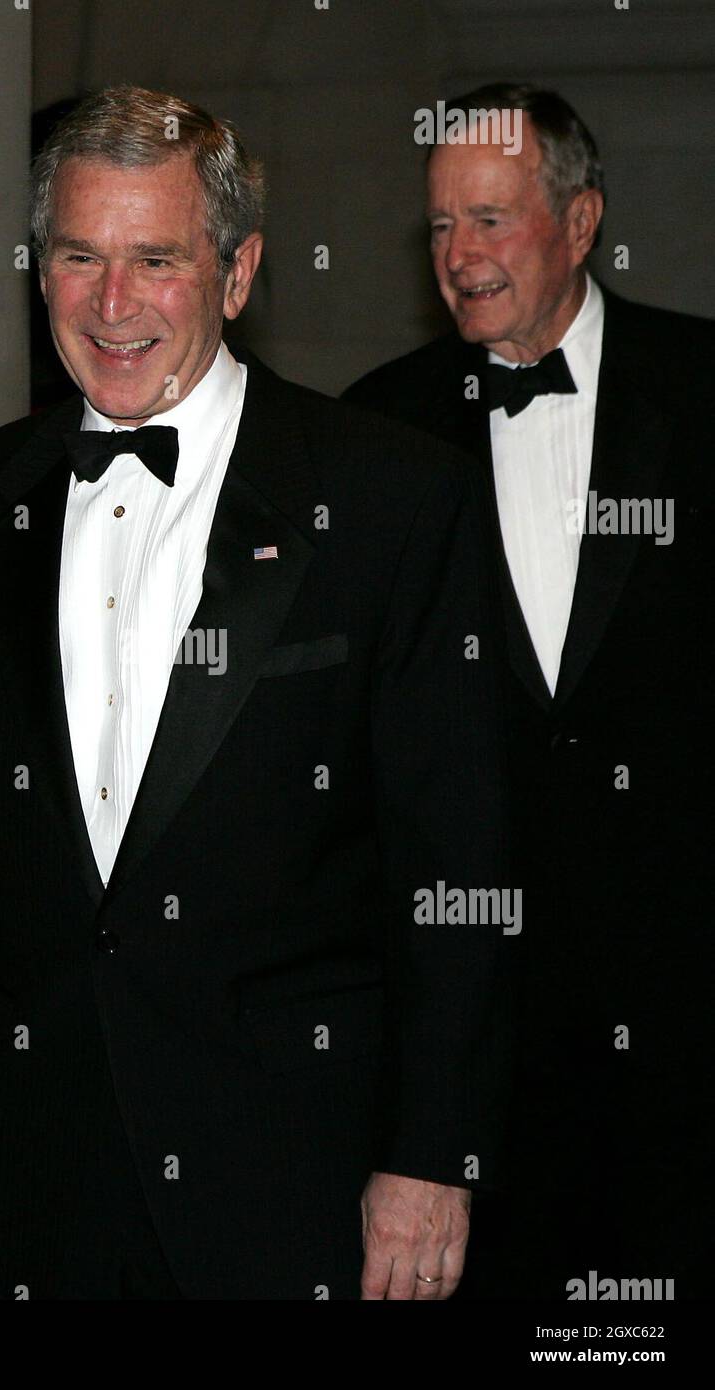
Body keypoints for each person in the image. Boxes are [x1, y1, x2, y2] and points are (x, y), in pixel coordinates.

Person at [0, 87, 510, 1301]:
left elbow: (455, 862)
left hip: (291, 1173)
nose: (112, 304)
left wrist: (430, 1158)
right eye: (79, 257)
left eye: (155, 259)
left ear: (239, 270)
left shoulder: (387, 501)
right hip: (40, 1171)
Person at [344, 84, 714, 1298]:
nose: (461, 256)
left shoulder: (703, 389)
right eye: (441, 228)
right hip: (470, 1041)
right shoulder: (378, 434)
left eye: (491, 220)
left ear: (580, 220)